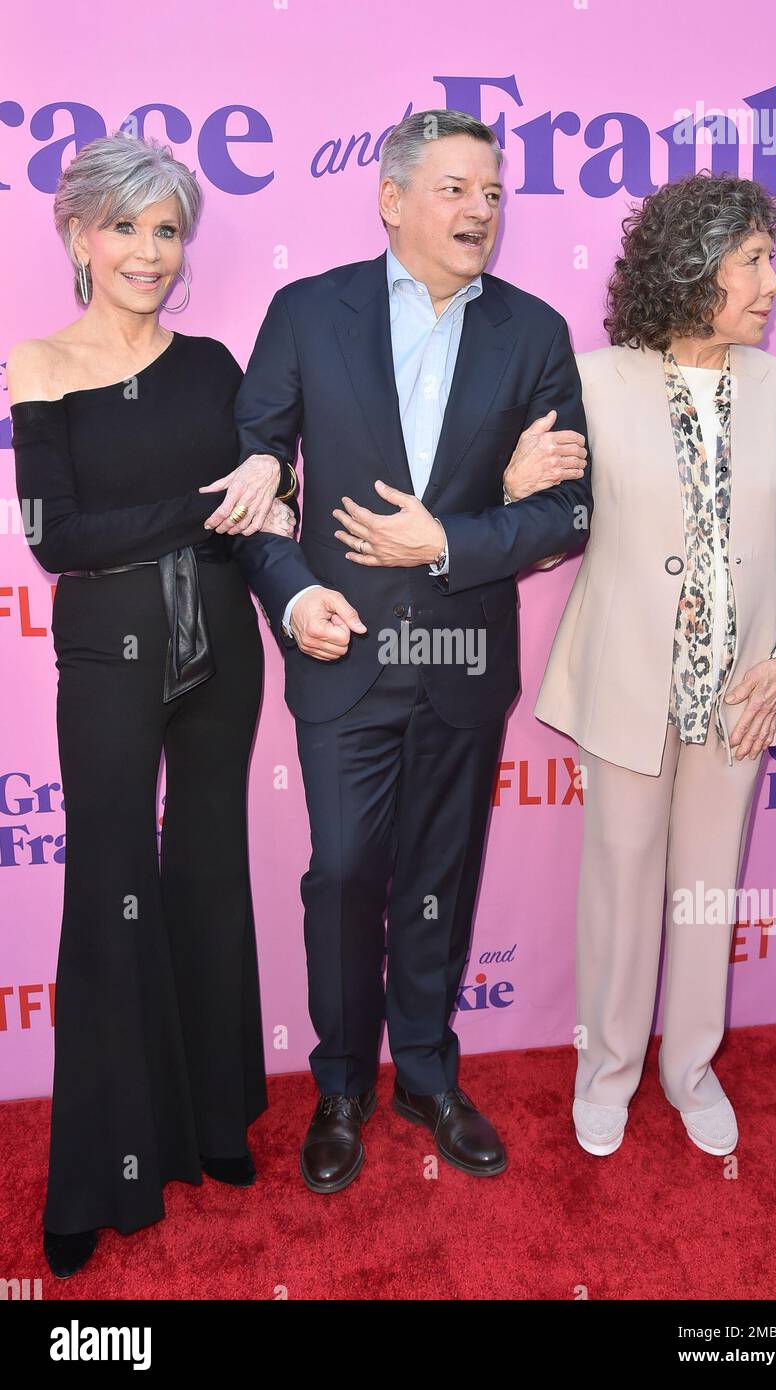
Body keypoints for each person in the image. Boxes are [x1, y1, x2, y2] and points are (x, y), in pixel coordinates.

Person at [229, 109, 591, 1192]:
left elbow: (571, 510)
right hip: (339, 657)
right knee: (343, 872)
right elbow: (255, 485)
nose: (477, 209)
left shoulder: (532, 331)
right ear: (390, 199)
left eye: (489, 192)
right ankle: (340, 1081)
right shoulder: (305, 312)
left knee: (439, 875)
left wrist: (452, 540)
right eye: (452, 188)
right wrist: (292, 601)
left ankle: (426, 1073)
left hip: (463, 659)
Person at [8, 133, 296, 1277]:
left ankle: (211, 1122)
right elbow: (56, 537)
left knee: (211, 873)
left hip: (223, 642)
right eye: (122, 225)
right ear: (79, 233)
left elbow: (267, 502)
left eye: (165, 229)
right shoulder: (40, 361)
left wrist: (272, 481)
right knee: (111, 888)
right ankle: (99, 1166)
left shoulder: (217, 361)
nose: (145, 251)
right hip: (111, 648)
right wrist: (204, 504)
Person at [532, 172, 776, 1158]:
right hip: (624, 685)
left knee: (707, 887)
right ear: (688, 268)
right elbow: (541, 534)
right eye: (750, 261)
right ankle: (608, 1070)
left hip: (741, 696)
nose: (770, 285)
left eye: (768, 259)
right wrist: (514, 486)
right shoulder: (589, 381)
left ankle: (690, 1067)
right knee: (619, 885)